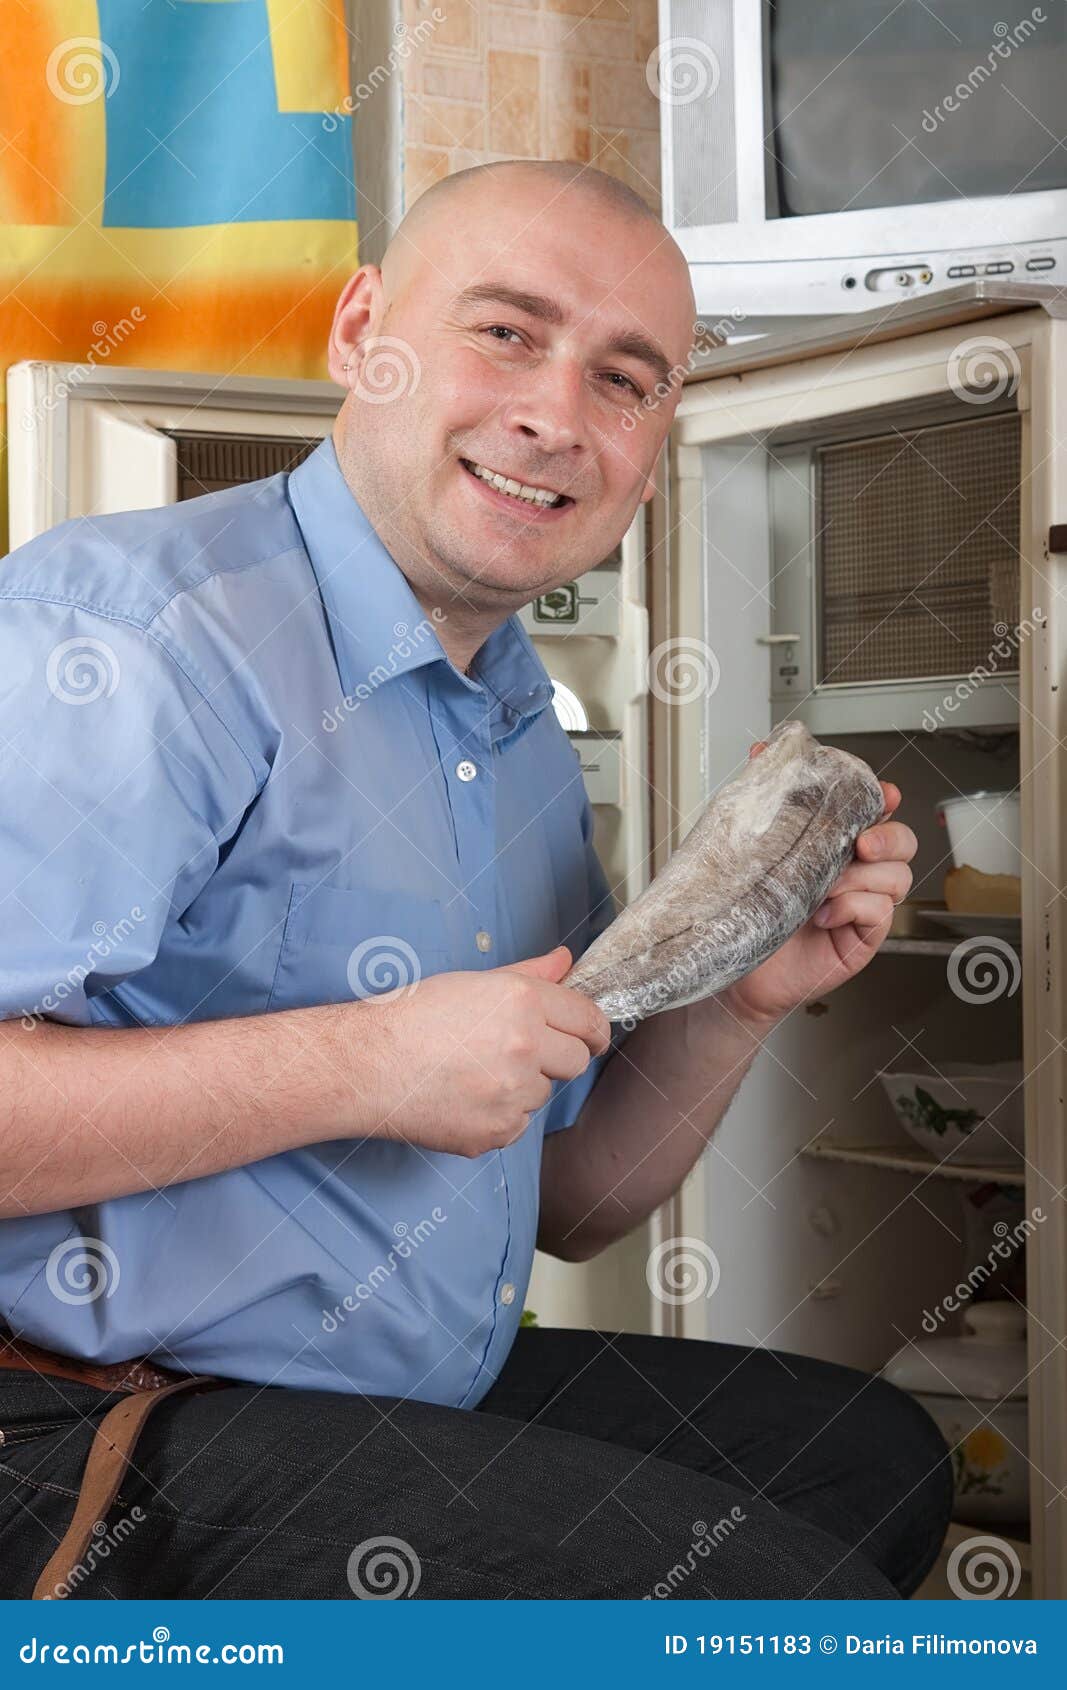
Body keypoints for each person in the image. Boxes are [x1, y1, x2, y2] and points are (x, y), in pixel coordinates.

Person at [0, 159, 949, 1599]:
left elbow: (567, 1198)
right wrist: (364, 1060)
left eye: (626, 379)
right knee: (773, 1599)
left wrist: (743, 1000)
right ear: (359, 329)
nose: (556, 417)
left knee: (867, 1453)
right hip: (83, 1416)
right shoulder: (133, 636)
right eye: (505, 332)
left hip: (392, 1397)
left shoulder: (514, 723)